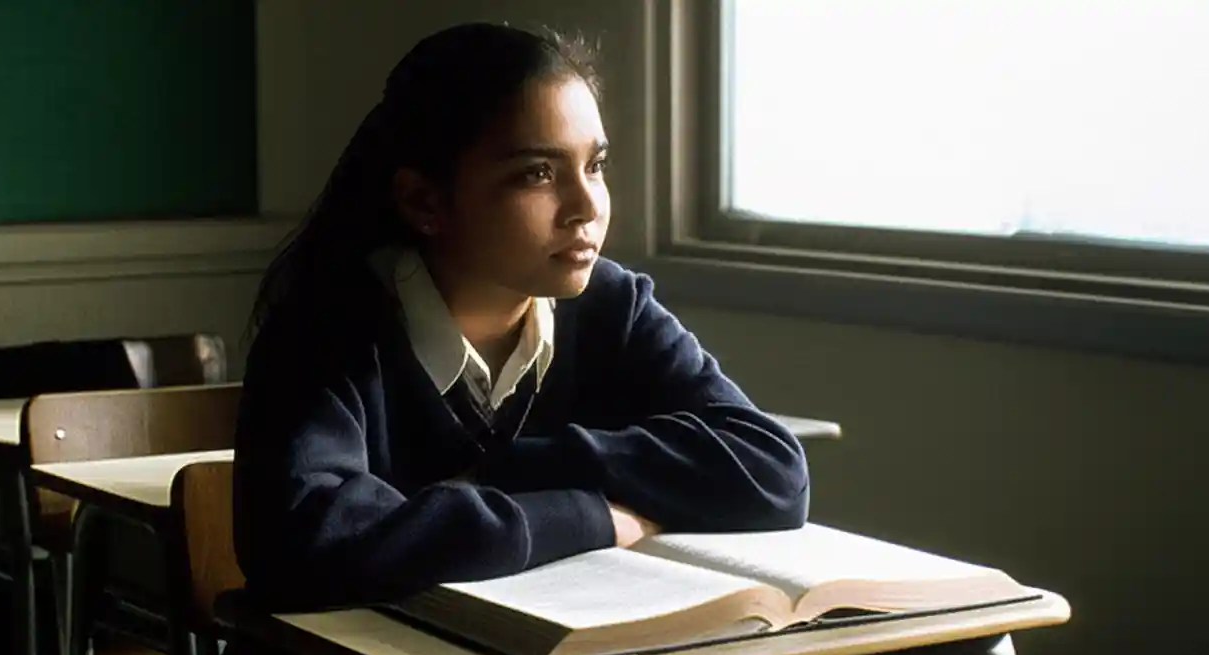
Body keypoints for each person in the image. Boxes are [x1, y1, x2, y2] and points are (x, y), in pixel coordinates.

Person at [233, 22, 809, 613]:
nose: (586, 206)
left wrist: (511, 469)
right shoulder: (330, 325)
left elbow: (772, 471)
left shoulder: (613, 305)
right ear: (424, 202)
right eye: (538, 173)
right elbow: (306, 543)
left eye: (596, 165)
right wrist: (588, 516)